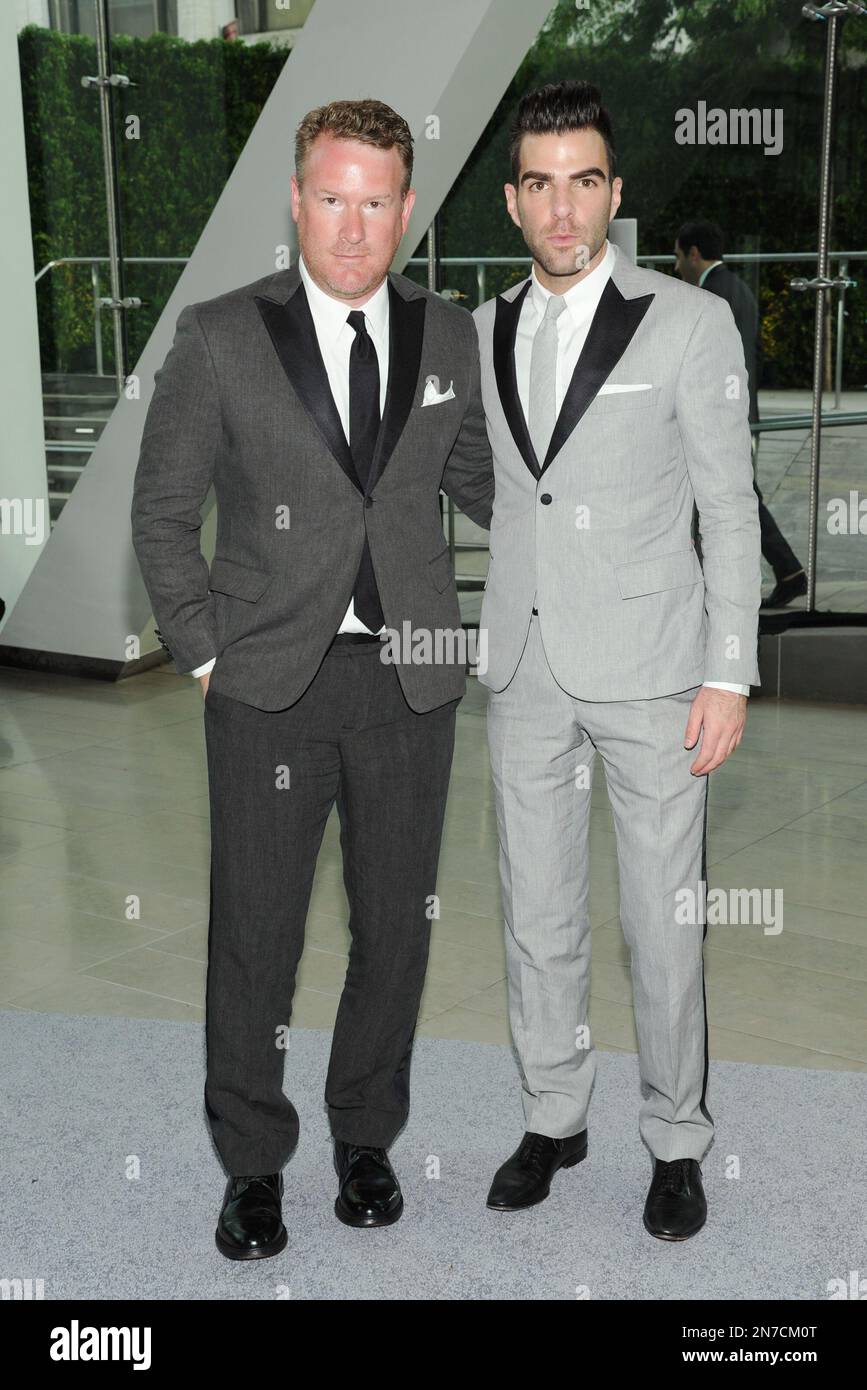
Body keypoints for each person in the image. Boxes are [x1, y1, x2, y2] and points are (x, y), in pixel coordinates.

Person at [131, 98, 494, 1259]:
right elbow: (161, 516)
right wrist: (202, 652)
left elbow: (495, 486)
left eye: (375, 200)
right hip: (267, 686)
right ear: (296, 202)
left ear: (406, 209)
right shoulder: (220, 336)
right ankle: (251, 1165)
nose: (352, 224)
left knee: (396, 930)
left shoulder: (447, 338)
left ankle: (365, 1136)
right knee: (257, 935)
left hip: (410, 684)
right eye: (331, 197)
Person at [473, 81, 761, 1240]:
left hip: (654, 668)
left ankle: (676, 1134)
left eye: (583, 180)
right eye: (540, 182)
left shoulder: (688, 323)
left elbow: (729, 510)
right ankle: (554, 1114)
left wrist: (729, 673)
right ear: (511, 199)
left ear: (616, 192)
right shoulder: (486, 325)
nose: (562, 206)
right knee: (535, 912)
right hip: (524, 667)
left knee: (662, 918)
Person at [675, 219, 806, 608]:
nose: (677, 265)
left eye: (678, 255)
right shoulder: (741, 290)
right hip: (742, 412)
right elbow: (754, 357)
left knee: (727, 501)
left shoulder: (707, 298)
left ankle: (774, 574)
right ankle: (787, 571)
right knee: (740, 496)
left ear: (694, 253)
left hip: (717, 418)